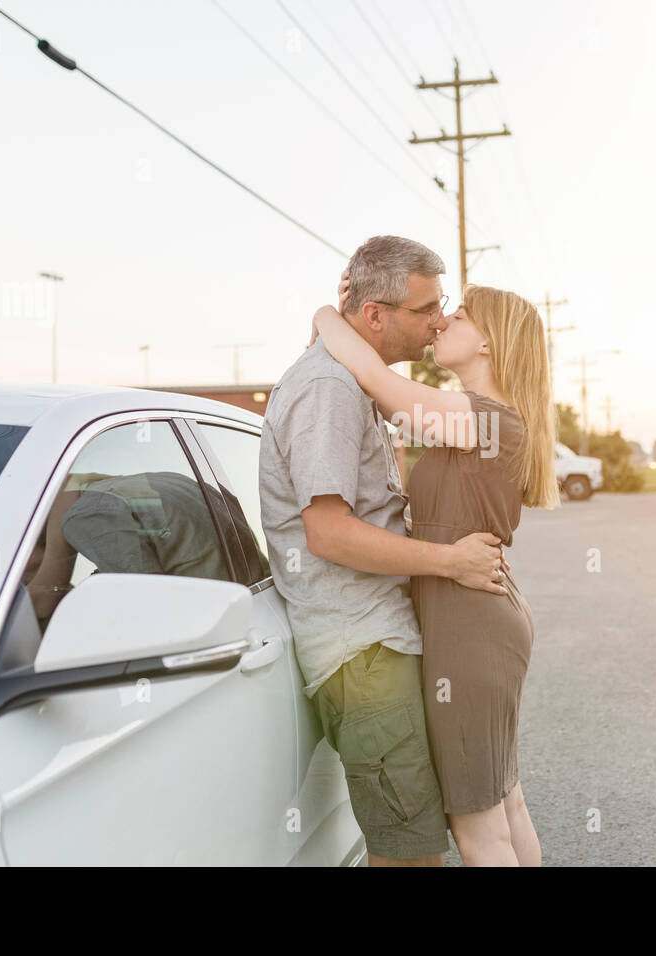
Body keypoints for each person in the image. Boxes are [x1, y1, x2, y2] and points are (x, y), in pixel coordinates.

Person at [259, 235, 507, 867]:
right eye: (426, 309)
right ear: (375, 315)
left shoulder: (354, 381)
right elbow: (329, 533)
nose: (437, 321)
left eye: (444, 307)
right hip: (362, 649)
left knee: (418, 840)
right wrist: (451, 561)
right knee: (410, 853)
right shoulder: (330, 391)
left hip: (378, 642)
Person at [312, 274, 559, 867]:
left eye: (462, 315)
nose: (444, 320)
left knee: (477, 825)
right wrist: (356, 310)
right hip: (477, 618)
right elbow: (376, 389)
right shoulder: (477, 419)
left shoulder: (490, 422)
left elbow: (374, 378)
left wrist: (329, 313)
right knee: (504, 803)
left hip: (471, 629)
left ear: (489, 344)